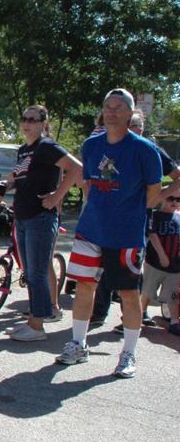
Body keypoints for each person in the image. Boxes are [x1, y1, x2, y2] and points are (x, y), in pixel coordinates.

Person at [58, 89, 180, 379]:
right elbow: (88, 183)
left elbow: (153, 195)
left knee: (128, 293)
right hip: (90, 231)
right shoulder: (91, 145)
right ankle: (78, 344)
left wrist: (133, 206)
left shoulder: (145, 150)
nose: (111, 112)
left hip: (126, 234)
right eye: (107, 107)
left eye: (118, 107)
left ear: (130, 112)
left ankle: (128, 354)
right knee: (84, 286)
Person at [0, 105, 82, 342]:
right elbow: (20, 179)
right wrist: (5, 186)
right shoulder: (24, 150)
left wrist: (57, 196)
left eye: (33, 119)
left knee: (37, 272)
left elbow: (76, 168)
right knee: (30, 272)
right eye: (24, 118)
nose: (27, 123)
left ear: (43, 123)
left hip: (40, 217)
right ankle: (33, 320)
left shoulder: (47, 146)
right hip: (23, 216)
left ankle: (37, 326)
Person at [143, 193, 180, 335]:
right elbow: (152, 235)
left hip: (175, 266)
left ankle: (175, 322)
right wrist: (161, 255)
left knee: (173, 295)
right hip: (155, 263)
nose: (174, 202)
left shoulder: (178, 217)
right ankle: (140, 313)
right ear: (163, 198)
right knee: (147, 291)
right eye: (171, 198)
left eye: (178, 199)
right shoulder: (155, 215)